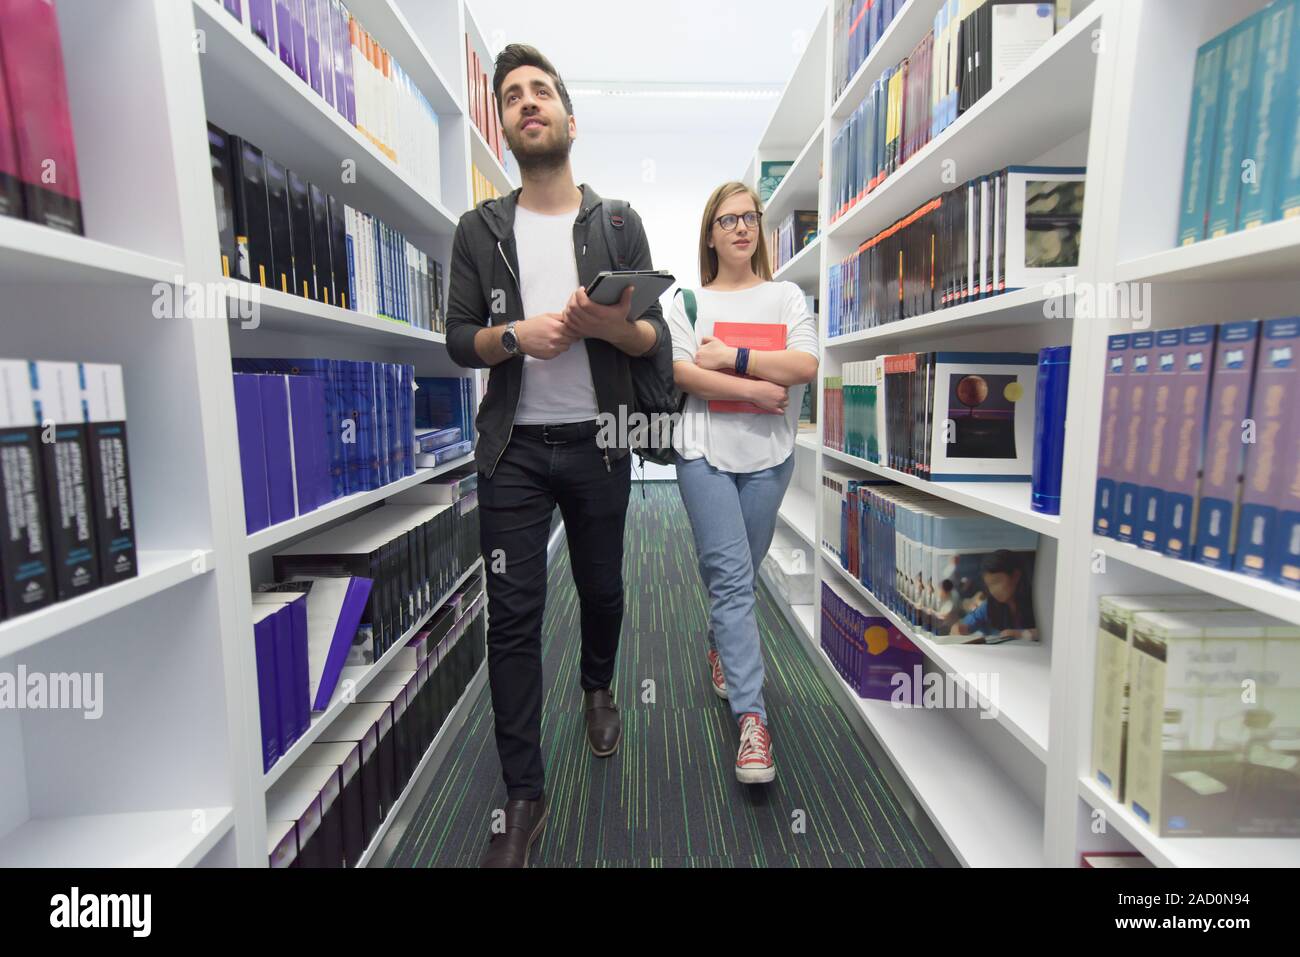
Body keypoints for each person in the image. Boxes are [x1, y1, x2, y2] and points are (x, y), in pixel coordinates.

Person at [444, 43, 669, 868]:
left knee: (603, 588)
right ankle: (522, 793)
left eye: (541, 92)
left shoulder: (616, 222)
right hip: (512, 451)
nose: (527, 103)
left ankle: (598, 684)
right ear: (503, 124)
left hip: (603, 443)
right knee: (513, 617)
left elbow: (656, 342)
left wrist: (611, 325)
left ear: (570, 119)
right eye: (512, 97)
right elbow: (458, 341)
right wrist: (516, 337)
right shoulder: (479, 230)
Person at [668, 182, 819, 784]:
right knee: (732, 581)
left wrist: (729, 359)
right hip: (702, 455)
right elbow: (682, 372)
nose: (741, 228)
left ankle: (719, 644)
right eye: (727, 219)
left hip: (770, 458)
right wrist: (757, 387)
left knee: (741, 575)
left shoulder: (786, 296)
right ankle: (752, 723)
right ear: (710, 232)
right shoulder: (689, 300)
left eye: (750, 217)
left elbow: (804, 366)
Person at [948, 550, 1038, 642]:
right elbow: (969, 621)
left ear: (1016, 576)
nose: (993, 590)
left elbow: (1050, 632)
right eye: (989, 585)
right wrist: (960, 628)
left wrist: (1021, 634)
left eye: (997, 582)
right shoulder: (989, 605)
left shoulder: (1038, 602)